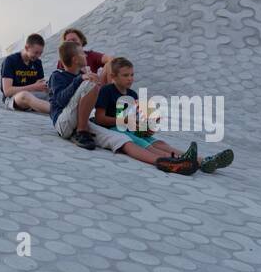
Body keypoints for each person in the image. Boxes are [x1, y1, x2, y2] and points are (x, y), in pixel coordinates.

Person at [48, 44, 196, 174]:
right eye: (82, 53)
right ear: (74, 59)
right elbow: (60, 100)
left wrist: (145, 124)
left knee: (121, 140)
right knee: (91, 84)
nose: (85, 55)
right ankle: (81, 131)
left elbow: (128, 118)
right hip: (64, 122)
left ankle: (165, 162)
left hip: (84, 122)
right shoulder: (58, 75)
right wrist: (80, 80)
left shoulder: (130, 93)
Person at [93, 57, 233, 174]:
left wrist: (147, 125)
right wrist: (124, 121)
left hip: (128, 128)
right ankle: (177, 161)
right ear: (113, 77)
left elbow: (134, 118)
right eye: (125, 75)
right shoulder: (107, 91)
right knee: (147, 146)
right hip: (114, 129)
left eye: (132, 75)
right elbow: (100, 119)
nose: (130, 79)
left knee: (158, 142)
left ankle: (204, 161)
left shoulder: (132, 94)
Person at [0, 33, 49, 114]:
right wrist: (34, 87)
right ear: (26, 47)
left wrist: (46, 87)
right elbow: (7, 91)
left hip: (34, 96)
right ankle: (56, 111)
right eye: (36, 52)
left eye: (40, 53)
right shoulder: (10, 61)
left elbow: (40, 86)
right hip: (14, 99)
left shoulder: (37, 62)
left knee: (53, 91)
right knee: (24, 95)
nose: (38, 56)